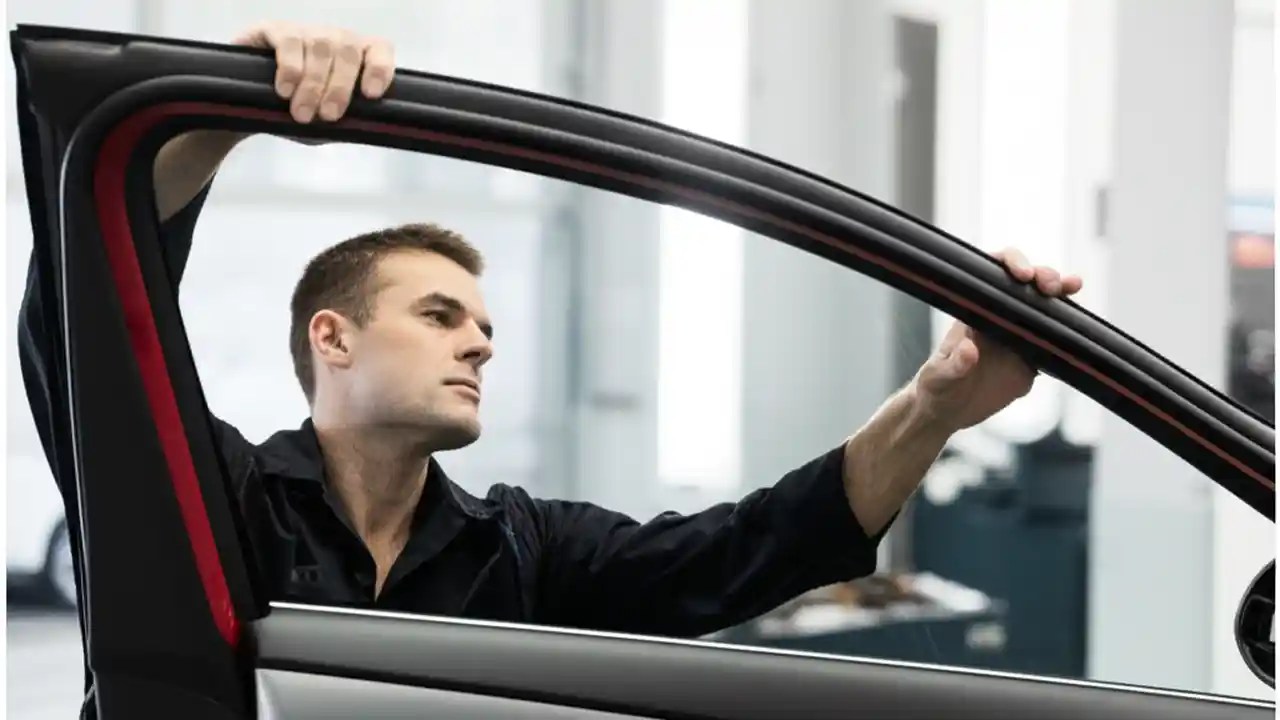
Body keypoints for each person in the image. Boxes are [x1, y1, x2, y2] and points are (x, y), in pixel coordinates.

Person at [20, 22, 1083, 638]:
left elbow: (750, 549)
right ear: (330, 340)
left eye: (482, 324)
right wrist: (213, 117)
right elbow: (89, 347)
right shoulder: (220, 499)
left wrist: (935, 405)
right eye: (439, 316)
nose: (480, 343)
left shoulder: (521, 547)